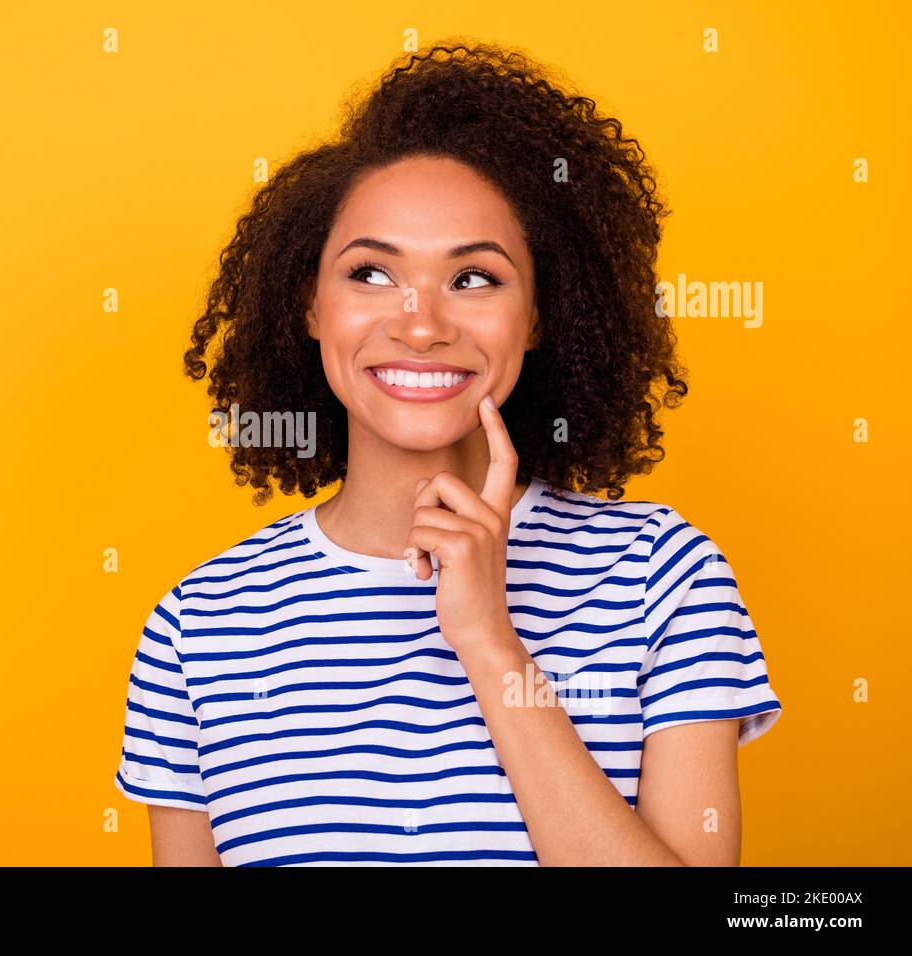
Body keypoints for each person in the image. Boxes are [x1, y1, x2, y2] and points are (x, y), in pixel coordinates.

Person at [113, 41, 782, 866]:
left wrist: (490, 643)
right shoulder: (199, 627)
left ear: (537, 316)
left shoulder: (659, 576)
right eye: (369, 274)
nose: (422, 322)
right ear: (310, 307)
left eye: (474, 279)